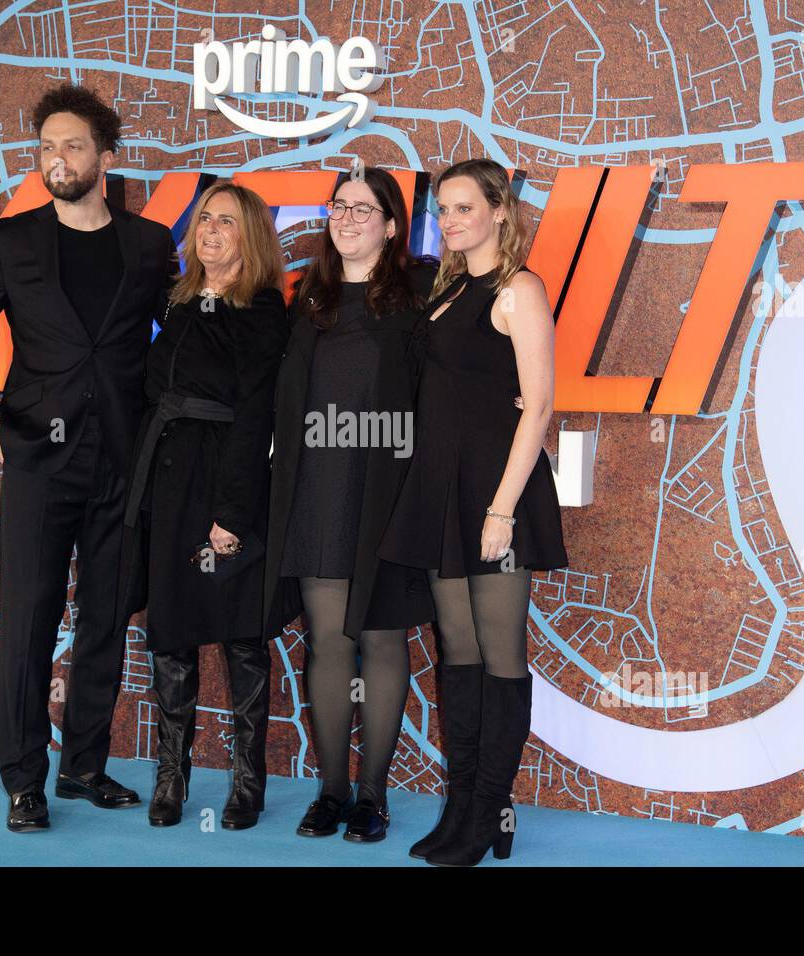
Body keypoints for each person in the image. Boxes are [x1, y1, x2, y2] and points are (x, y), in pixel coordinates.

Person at [0, 83, 177, 832]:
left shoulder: (148, 245)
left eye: (73, 145)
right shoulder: (10, 241)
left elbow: (168, 345)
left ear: (106, 155)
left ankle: (84, 766)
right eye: (47, 146)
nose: (58, 158)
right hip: (38, 462)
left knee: (106, 618)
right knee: (29, 622)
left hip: (121, 460)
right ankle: (24, 780)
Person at [378, 158, 568, 866]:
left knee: (500, 655)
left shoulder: (520, 289)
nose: (451, 221)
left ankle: (490, 810)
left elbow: (539, 405)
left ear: (498, 211)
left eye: (464, 208)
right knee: (456, 652)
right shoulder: (444, 288)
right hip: (438, 486)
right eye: (444, 211)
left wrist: (501, 511)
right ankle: (463, 805)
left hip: (496, 490)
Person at [263, 166, 437, 843]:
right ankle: (332, 791)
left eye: (367, 208)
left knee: (382, 637)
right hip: (318, 488)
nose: (349, 217)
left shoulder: (421, 292)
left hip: (389, 488)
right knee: (329, 641)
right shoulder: (308, 297)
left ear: (393, 225)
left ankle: (373, 796)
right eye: (340, 205)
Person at [120, 182, 290, 831]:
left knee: (242, 635)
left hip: (227, 484)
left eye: (226, 221)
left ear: (250, 236)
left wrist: (232, 514)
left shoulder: (264, 311)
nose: (210, 230)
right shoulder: (181, 300)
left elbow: (255, 417)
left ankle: (248, 780)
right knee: (171, 631)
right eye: (204, 219)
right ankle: (172, 775)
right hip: (168, 480)